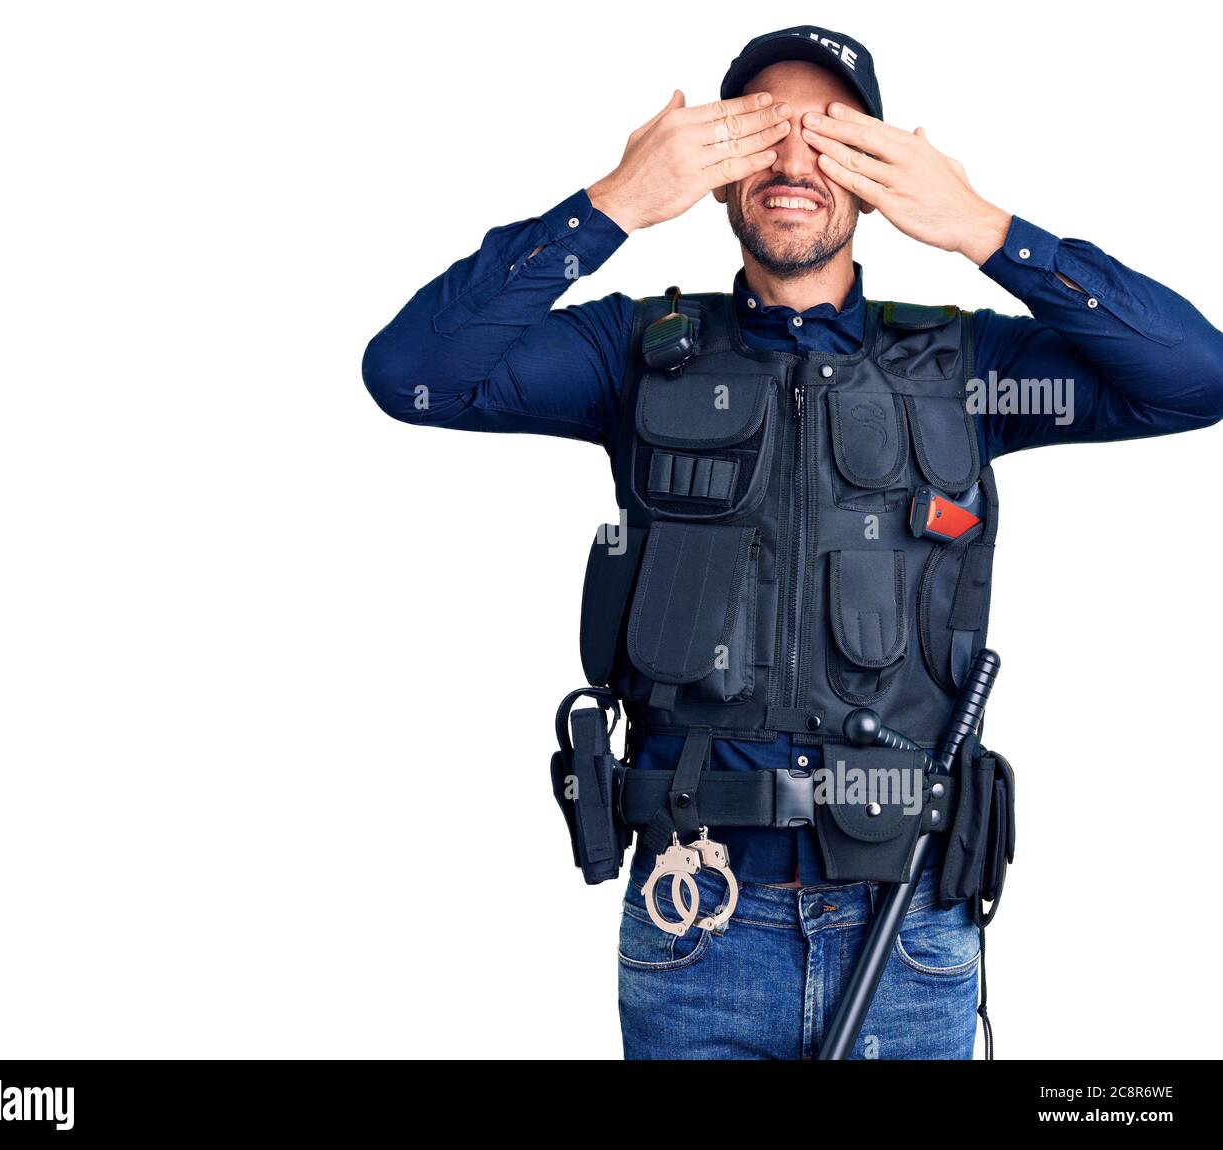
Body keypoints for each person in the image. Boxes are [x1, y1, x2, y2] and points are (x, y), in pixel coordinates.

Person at [362, 26, 1223, 1059]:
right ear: (719, 171)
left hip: (907, 926)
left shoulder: (964, 367)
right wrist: (611, 204)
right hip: (699, 918)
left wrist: (988, 230)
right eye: (759, 130)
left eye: (831, 133)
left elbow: (1193, 378)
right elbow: (413, 373)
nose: (792, 161)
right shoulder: (633, 356)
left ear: (875, 174)